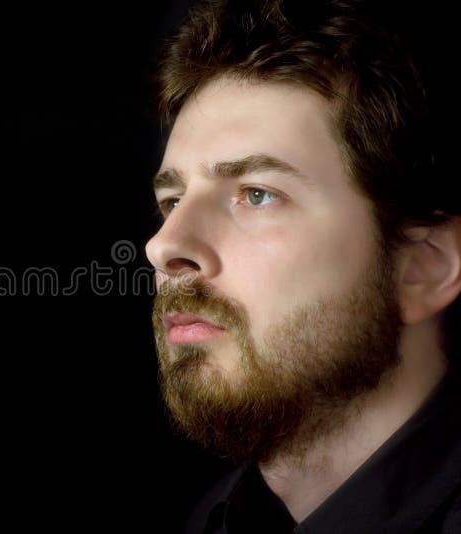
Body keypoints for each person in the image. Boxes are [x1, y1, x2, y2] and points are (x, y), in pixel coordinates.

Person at [145, 0, 461, 531]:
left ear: (422, 268)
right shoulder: (214, 521)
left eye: (257, 194)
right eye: (173, 201)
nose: (163, 245)